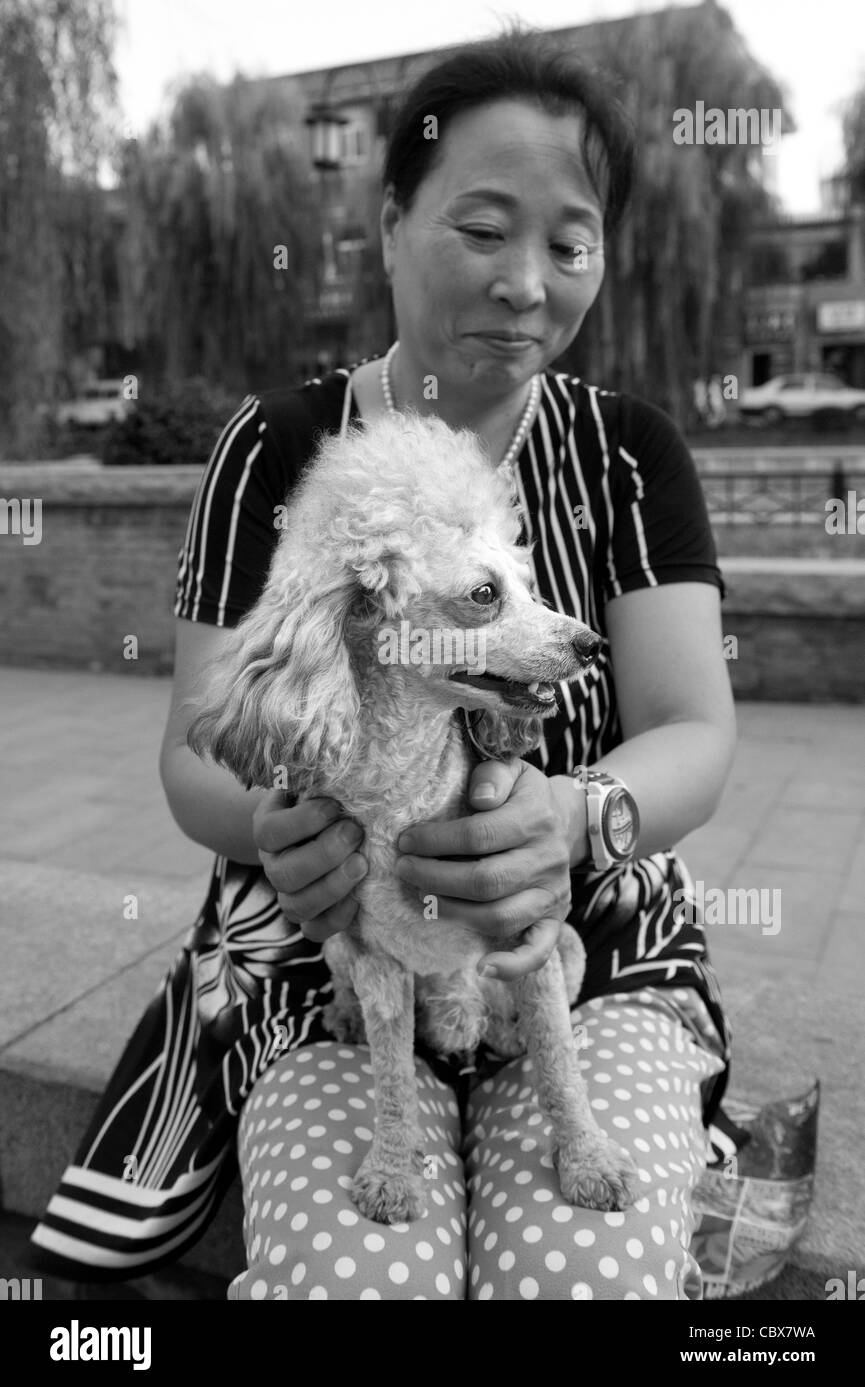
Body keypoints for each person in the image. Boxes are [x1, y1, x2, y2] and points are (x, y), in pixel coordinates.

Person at [28, 28, 737, 1300]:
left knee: (589, 1268)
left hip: (588, 943)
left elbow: (693, 730)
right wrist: (274, 824)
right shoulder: (271, 448)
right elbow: (198, 749)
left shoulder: (634, 454)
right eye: (481, 229)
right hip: (322, 952)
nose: (528, 283)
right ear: (391, 220)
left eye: (569, 244)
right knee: (357, 1280)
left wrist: (579, 817)